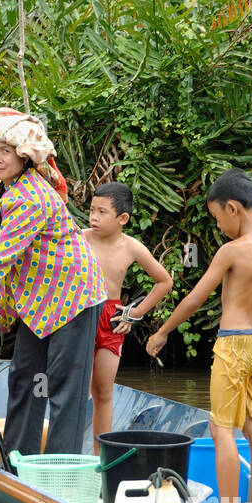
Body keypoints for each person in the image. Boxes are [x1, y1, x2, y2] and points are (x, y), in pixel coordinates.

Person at [0, 107, 106, 457]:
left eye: (5, 151)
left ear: (23, 156)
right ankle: (17, 462)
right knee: (25, 379)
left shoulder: (29, 198)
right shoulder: (2, 187)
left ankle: (59, 472)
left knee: (63, 389)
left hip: (72, 298)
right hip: (37, 301)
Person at [145, 169, 252, 503]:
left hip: (234, 343)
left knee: (221, 429)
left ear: (232, 208)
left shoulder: (233, 251)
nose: (219, 226)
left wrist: (162, 331)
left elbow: (195, 299)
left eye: (217, 217)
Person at [83, 182, 174, 453]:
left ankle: (102, 457)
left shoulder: (131, 247)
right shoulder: (79, 238)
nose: (93, 217)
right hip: (81, 314)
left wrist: (135, 313)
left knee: (103, 391)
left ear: (122, 218)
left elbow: (164, 281)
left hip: (111, 318)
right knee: (78, 392)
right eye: (91, 211)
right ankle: (70, 454)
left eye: (101, 212)